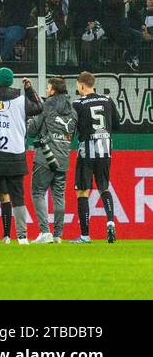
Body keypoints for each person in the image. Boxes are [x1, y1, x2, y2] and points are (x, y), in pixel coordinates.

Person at [0, 66, 41, 245]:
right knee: (17, 196)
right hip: (15, 156)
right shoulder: (20, 100)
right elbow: (39, 107)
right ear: (11, 81)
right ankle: (22, 236)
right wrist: (29, 90)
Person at [72, 70, 120, 244]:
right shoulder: (107, 100)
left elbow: (73, 126)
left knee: (82, 191)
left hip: (87, 151)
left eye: (78, 85)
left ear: (82, 85)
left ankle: (85, 235)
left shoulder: (77, 104)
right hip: (105, 150)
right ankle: (110, 222)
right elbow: (117, 124)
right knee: (104, 188)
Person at [28, 77, 76, 244]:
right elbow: (71, 134)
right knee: (59, 196)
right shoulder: (73, 109)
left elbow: (32, 131)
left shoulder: (47, 105)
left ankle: (45, 232)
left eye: (48, 88)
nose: (46, 90)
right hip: (63, 156)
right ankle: (58, 234)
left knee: (38, 192)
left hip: (45, 156)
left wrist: (31, 121)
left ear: (53, 90)